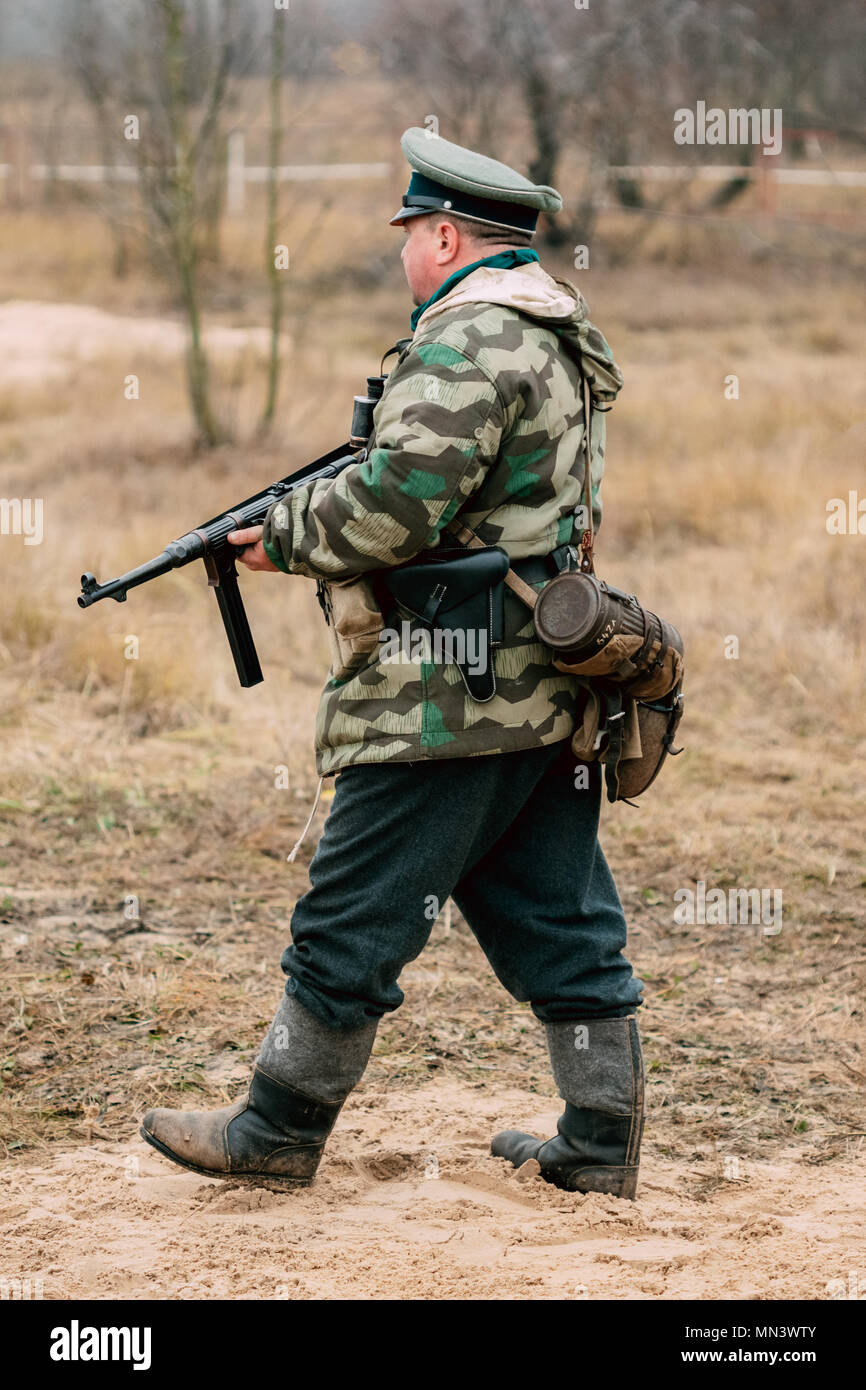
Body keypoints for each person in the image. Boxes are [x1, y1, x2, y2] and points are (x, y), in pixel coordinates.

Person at [140, 127, 645, 1199]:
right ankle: (601, 1141)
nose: (405, 251)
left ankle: (275, 1129)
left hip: (444, 695)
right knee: (560, 919)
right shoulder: (553, 329)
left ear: (447, 236)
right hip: (544, 689)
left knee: (349, 917)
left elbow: (392, 505)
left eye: (412, 232)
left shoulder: (466, 340)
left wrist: (280, 536)